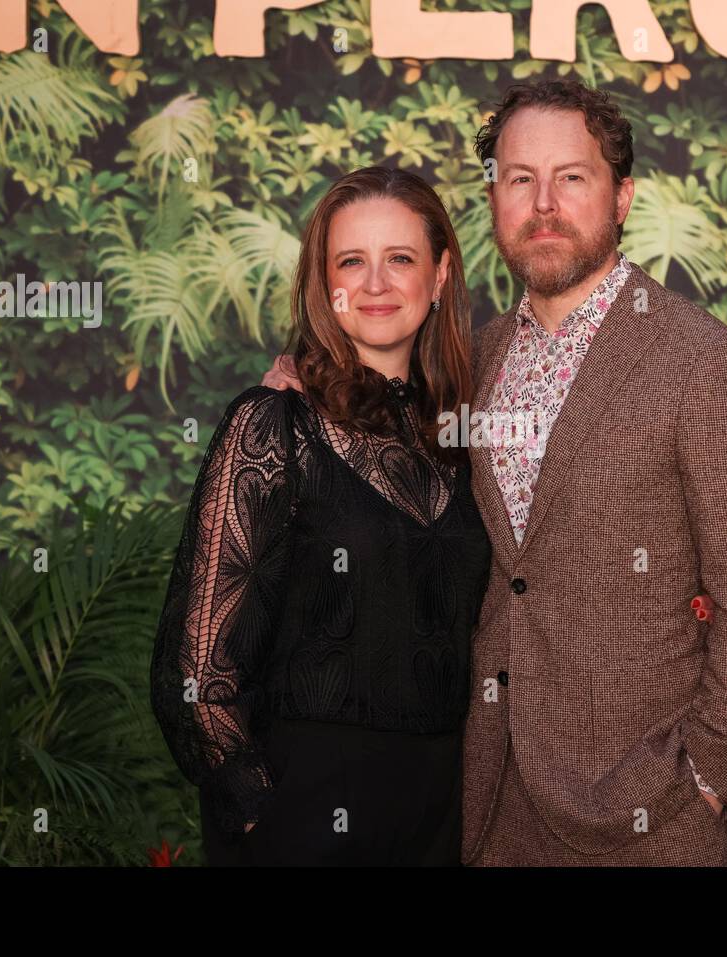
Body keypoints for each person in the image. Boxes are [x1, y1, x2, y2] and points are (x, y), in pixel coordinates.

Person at [264, 79, 727, 867]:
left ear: (622, 197)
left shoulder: (707, 365)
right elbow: (376, 442)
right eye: (520, 179)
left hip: (652, 816)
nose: (543, 203)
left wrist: (706, 781)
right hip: (490, 804)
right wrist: (306, 388)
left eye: (572, 178)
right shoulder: (470, 361)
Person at [149, 166, 493, 865]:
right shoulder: (274, 423)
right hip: (303, 814)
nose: (375, 283)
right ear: (322, 282)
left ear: (440, 274)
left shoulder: (462, 438)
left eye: (400, 258)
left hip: (441, 816)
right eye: (350, 262)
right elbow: (198, 670)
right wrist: (260, 811)